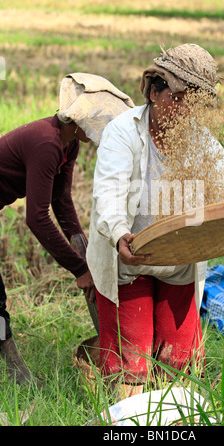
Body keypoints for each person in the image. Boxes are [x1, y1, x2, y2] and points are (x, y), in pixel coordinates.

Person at [86, 45, 224, 398]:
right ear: (154, 91)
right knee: (131, 368)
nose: (186, 110)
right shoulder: (123, 133)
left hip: (181, 262)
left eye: (195, 101)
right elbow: (108, 194)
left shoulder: (204, 144)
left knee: (181, 363)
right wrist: (121, 234)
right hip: (131, 261)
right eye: (179, 97)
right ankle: (118, 398)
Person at [0, 72, 134, 385]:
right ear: (79, 119)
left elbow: (61, 201)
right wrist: (79, 268)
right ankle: (18, 375)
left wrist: (86, 252)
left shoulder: (67, 144)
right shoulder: (47, 144)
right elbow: (36, 217)